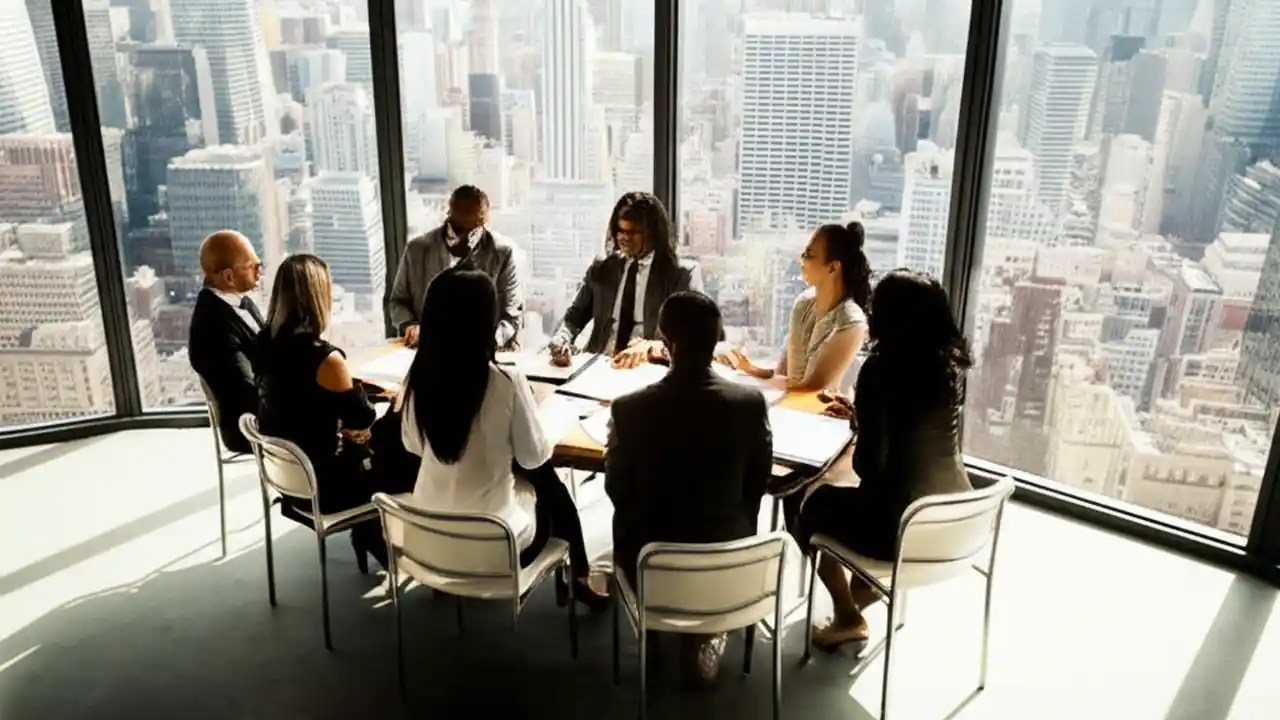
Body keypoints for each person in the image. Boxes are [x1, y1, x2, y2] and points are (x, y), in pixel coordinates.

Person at [399, 267, 609, 608]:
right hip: (495, 549)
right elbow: (534, 457)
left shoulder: (415, 381)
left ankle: (578, 578)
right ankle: (579, 579)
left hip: (426, 541)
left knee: (534, 482)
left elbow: (413, 446)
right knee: (551, 487)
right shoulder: (505, 383)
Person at [795, 270, 974, 649]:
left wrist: (861, 426)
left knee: (807, 505)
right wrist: (865, 413)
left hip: (904, 527)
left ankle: (847, 615)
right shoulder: (949, 368)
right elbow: (917, 427)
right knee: (850, 508)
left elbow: (869, 467)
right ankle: (865, 594)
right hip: (956, 519)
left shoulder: (881, 370)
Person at [606, 291, 773, 686]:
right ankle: (706, 633)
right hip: (729, 564)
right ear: (716, 340)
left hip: (651, 566)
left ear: (668, 344)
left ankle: (658, 627)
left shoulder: (629, 410)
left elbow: (617, 491)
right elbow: (756, 487)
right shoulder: (750, 404)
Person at [255, 254, 392, 571]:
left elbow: (297, 399)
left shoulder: (263, 343)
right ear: (319, 297)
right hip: (326, 488)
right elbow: (363, 417)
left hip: (289, 480)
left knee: (359, 443)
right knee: (400, 453)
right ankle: (383, 540)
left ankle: (369, 535)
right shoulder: (325, 359)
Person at [549, 191, 704, 369]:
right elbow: (573, 319)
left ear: (653, 233)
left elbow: (693, 339)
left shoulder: (681, 275)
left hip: (648, 371)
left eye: (633, 232)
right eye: (620, 231)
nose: (624, 238)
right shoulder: (603, 268)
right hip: (598, 366)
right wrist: (561, 341)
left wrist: (652, 348)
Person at [717, 221, 871, 392]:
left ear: (832, 267)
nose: (802, 259)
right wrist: (747, 367)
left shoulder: (850, 320)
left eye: (809, 255)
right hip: (794, 411)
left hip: (826, 417)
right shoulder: (803, 304)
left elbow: (812, 391)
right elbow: (786, 378)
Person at [388, 185, 523, 349]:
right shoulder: (417, 250)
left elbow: (512, 316)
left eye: (474, 228)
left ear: (484, 221)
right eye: (459, 227)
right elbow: (398, 301)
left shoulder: (502, 254)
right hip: (427, 353)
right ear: (449, 214)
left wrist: (489, 341)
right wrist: (410, 325)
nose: (465, 237)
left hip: (482, 358)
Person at [189, 230, 264, 454]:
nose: (259, 270)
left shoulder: (240, 302)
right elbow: (245, 394)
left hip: (266, 402)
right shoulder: (214, 328)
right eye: (252, 266)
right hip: (248, 426)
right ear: (229, 277)